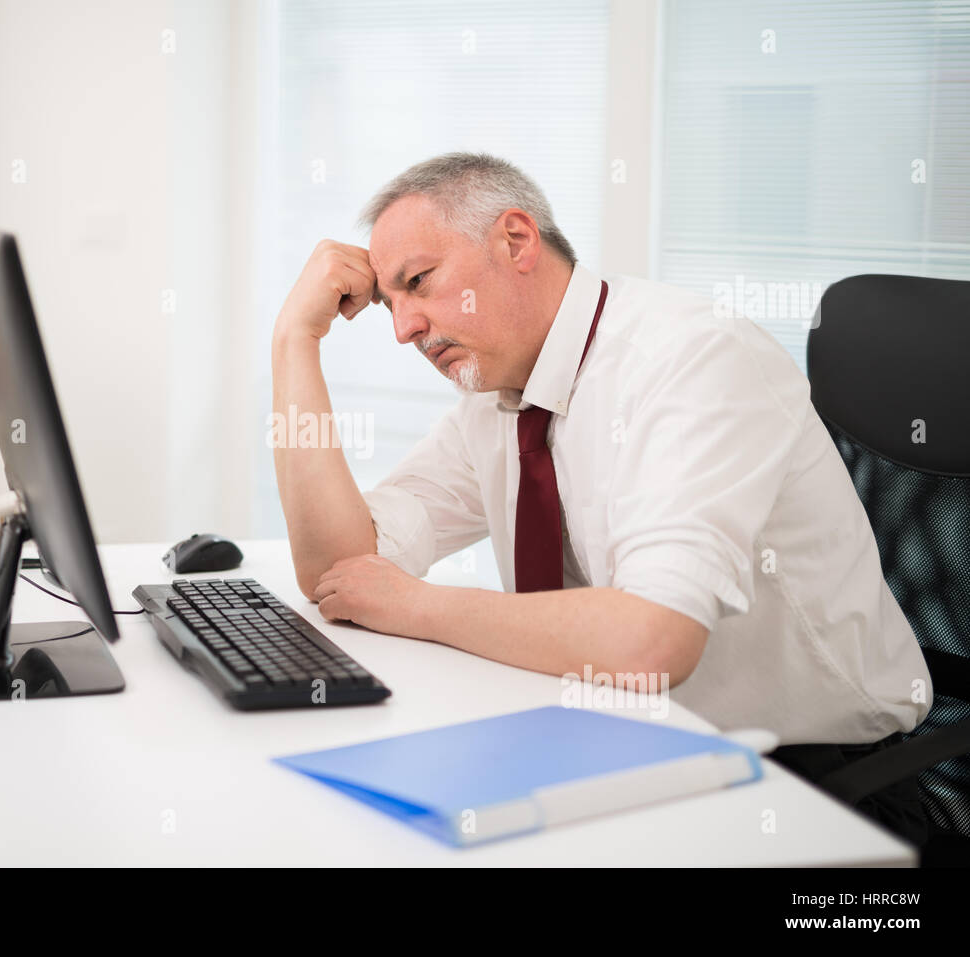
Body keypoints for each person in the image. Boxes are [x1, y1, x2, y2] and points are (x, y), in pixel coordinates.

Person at [269, 152, 932, 846]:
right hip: (627, 753)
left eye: (419, 282)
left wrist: (418, 604)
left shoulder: (694, 358)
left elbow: (651, 641)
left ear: (516, 240)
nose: (403, 326)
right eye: (389, 301)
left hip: (814, 783)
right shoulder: (496, 395)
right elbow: (342, 573)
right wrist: (295, 341)